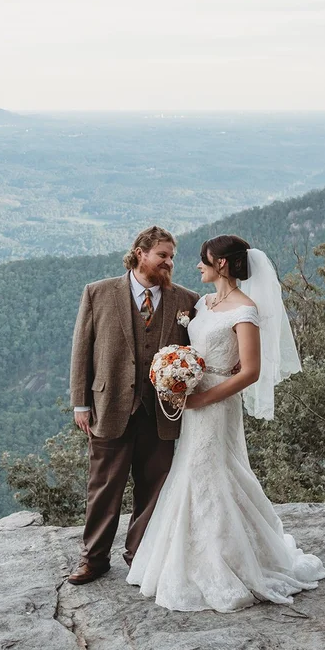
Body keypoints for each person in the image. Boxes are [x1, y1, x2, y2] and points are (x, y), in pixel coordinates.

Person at [125, 235, 325, 612]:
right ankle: (185, 555)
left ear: (221, 264)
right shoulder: (203, 303)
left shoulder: (245, 310)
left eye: (204, 260)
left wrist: (202, 397)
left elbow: (250, 371)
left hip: (215, 404)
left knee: (211, 471)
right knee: (190, 469)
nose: (197, 266)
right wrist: (175, 374)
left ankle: (225, 561)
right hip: (193, 400)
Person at [66, 226, 199, 584]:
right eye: (163, 255)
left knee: (154, 488)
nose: (169, 262)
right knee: (103, 487)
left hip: (162, 412)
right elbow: (82, 350)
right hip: (109, 406)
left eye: (172, 256)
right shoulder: (98, 293)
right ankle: (93, 559)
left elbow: (197, 354)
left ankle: (140, 556)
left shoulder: (186, 301)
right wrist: (80, 403)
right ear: (141, 253)